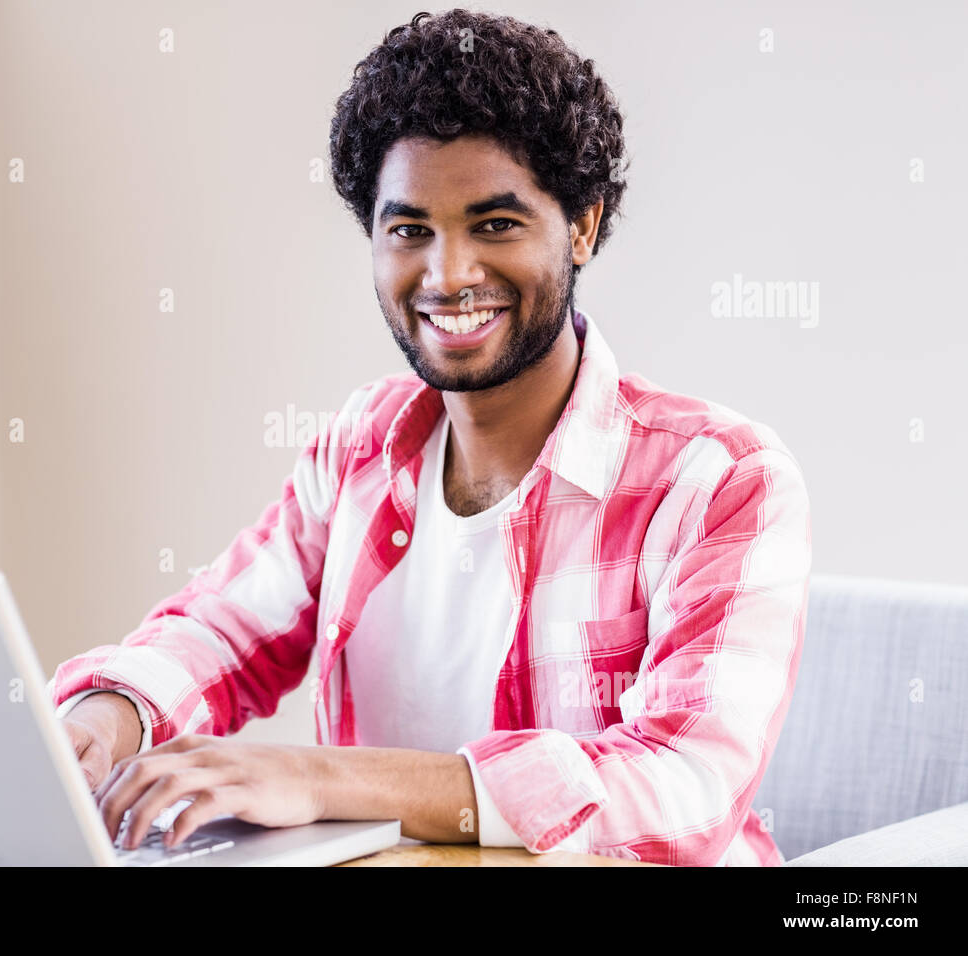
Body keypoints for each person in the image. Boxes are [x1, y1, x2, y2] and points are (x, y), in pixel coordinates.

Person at [50, 8, 811, 866]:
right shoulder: (364, 444)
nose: (449, 276)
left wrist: (321, 778)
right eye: (410, 229)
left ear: (584, 226)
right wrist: (104, 716)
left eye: (496, 225)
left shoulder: (719, 480)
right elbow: (225, 624)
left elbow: (684, 784)